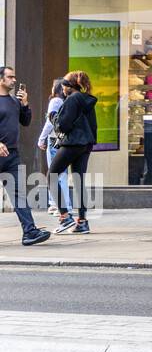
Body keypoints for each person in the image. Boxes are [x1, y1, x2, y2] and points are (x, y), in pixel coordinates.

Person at [0, 67, 48, 245]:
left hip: (12, 156)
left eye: (14, 77)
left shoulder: (14, 101)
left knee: (19, 194)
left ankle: (29, 232)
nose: (14, 80)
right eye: (10, 77)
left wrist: (25, 105)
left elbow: (25, 122)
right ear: (1, 80)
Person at [49, 72, 97, 235]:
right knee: (79, 180)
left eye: (63, 85)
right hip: (86, 144)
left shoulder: (72, 99)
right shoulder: (86, 99)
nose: (62, 89)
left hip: (73, 143)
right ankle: (82, 222)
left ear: (70, 87)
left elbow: (63, 125)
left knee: (51, 175)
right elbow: (93, 126)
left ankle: (64, 217)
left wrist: (53, 117)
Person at [37, 78, 68, 216]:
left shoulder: (55, 101)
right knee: (60, 173)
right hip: (62, 139)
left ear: (56, 88)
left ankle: (61, 204)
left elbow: (50, 122)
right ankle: (55, 203)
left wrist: (41, 138)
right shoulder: (66, 101)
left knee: (55, 173)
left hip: (54, 139)